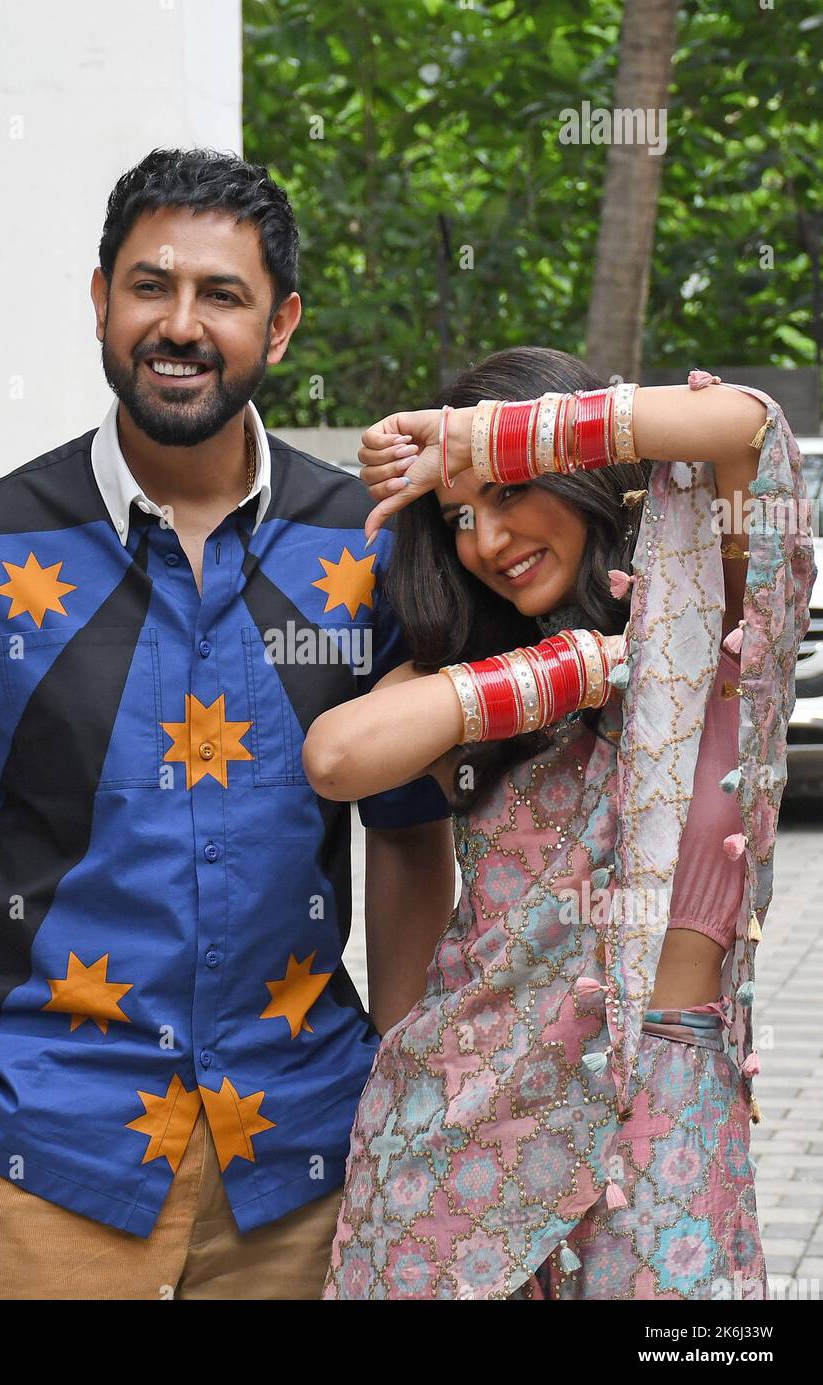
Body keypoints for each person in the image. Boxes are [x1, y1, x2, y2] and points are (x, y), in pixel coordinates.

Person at [0, 148, 455, 1301]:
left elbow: (409, 832)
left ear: (283, 324)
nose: (180, 322)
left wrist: (399, 1094)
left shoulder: (363, 551)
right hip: (33, 1161)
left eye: (222, 294)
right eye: (149, 285)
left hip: (301, 1164)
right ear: (100, 299)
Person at [304, 346, 816, 1299]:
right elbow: (338, 757)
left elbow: (747, 427)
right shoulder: (482, 670)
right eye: (459, 516)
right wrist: (576, 668)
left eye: (506, 494)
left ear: (586, 479)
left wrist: (472, 438)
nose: (486, 541)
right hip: (459, 1149)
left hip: (662, 1133)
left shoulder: (711, 637)